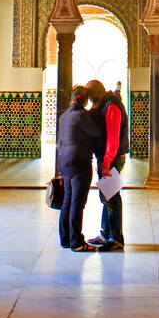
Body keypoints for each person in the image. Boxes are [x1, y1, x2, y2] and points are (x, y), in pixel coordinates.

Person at [83, 78, 129, 252]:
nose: (90, 101)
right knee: (106, 196)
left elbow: (113, 138)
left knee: (112, 198)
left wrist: (107, 163)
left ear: (95, 94)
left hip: (112, 158)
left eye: (90, 97)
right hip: (107, 157)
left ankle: (116, 239)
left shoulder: (111, 107)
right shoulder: (105, 104)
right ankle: (105, 233)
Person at [57, 86, 100, 252]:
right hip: (79, 161)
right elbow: (96, 132)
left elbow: (60, 140)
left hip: (64, 160)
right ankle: (77, 242)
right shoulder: (82, 115)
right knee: (78, 202)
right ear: (85, 100)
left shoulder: (64, 115)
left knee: (68, 200)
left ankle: (65, 239)